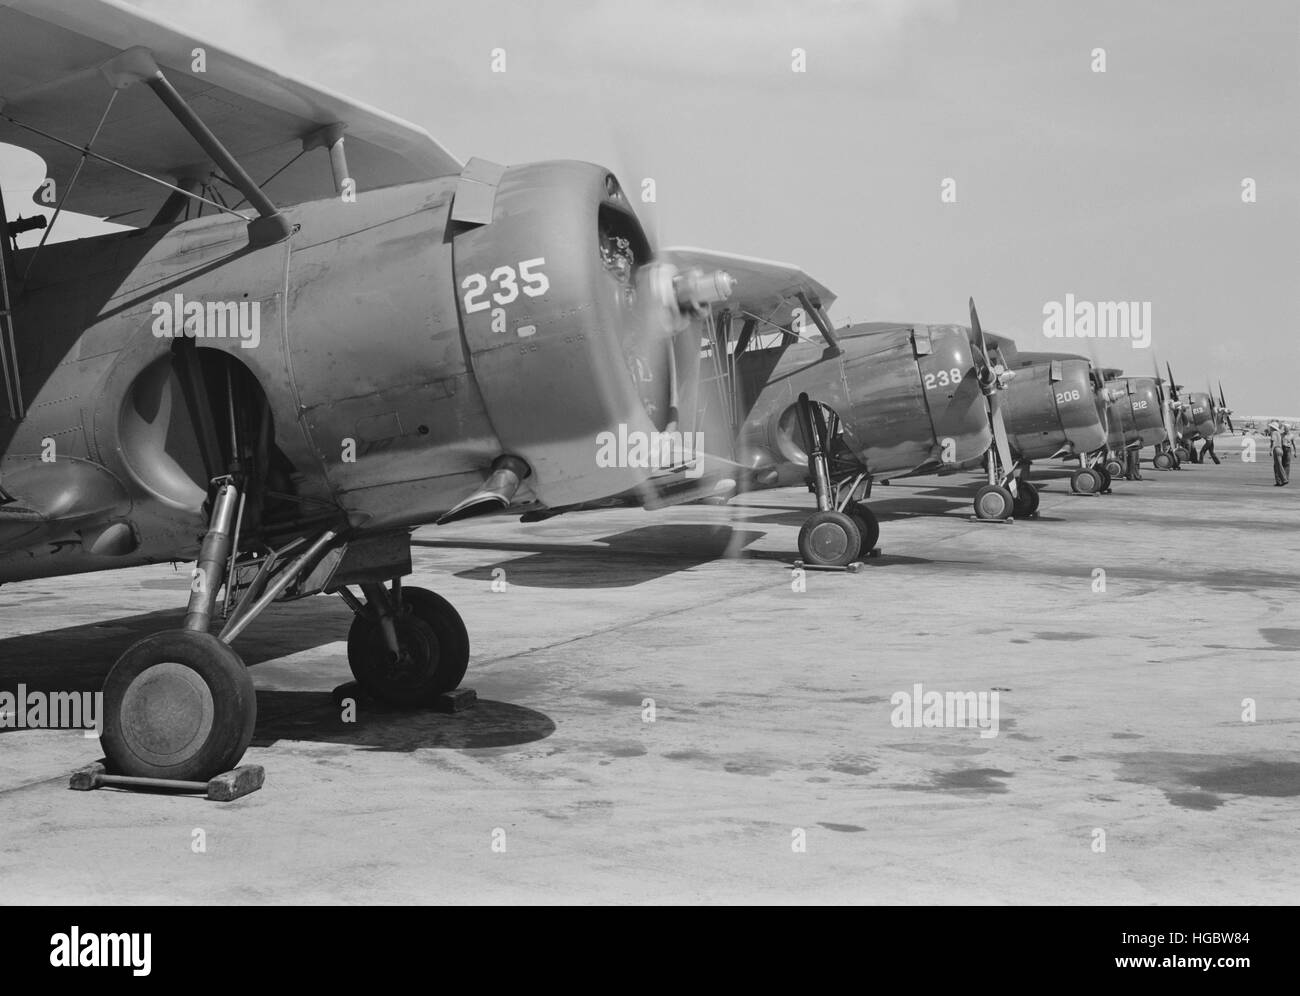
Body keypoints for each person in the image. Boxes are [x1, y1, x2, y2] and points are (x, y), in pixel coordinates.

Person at [1269, 421, 1288, 486]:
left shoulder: (1273, 432)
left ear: (1272, 427)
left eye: (1270, 427)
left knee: (1279, 465)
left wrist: (1271, 450)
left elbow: (1273, 442)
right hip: (1280, 449)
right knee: (1276, 466)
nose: (1270, 428)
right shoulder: (1278, 433)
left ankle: (1284, 479)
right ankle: (1278, 481)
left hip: (1276, 449)